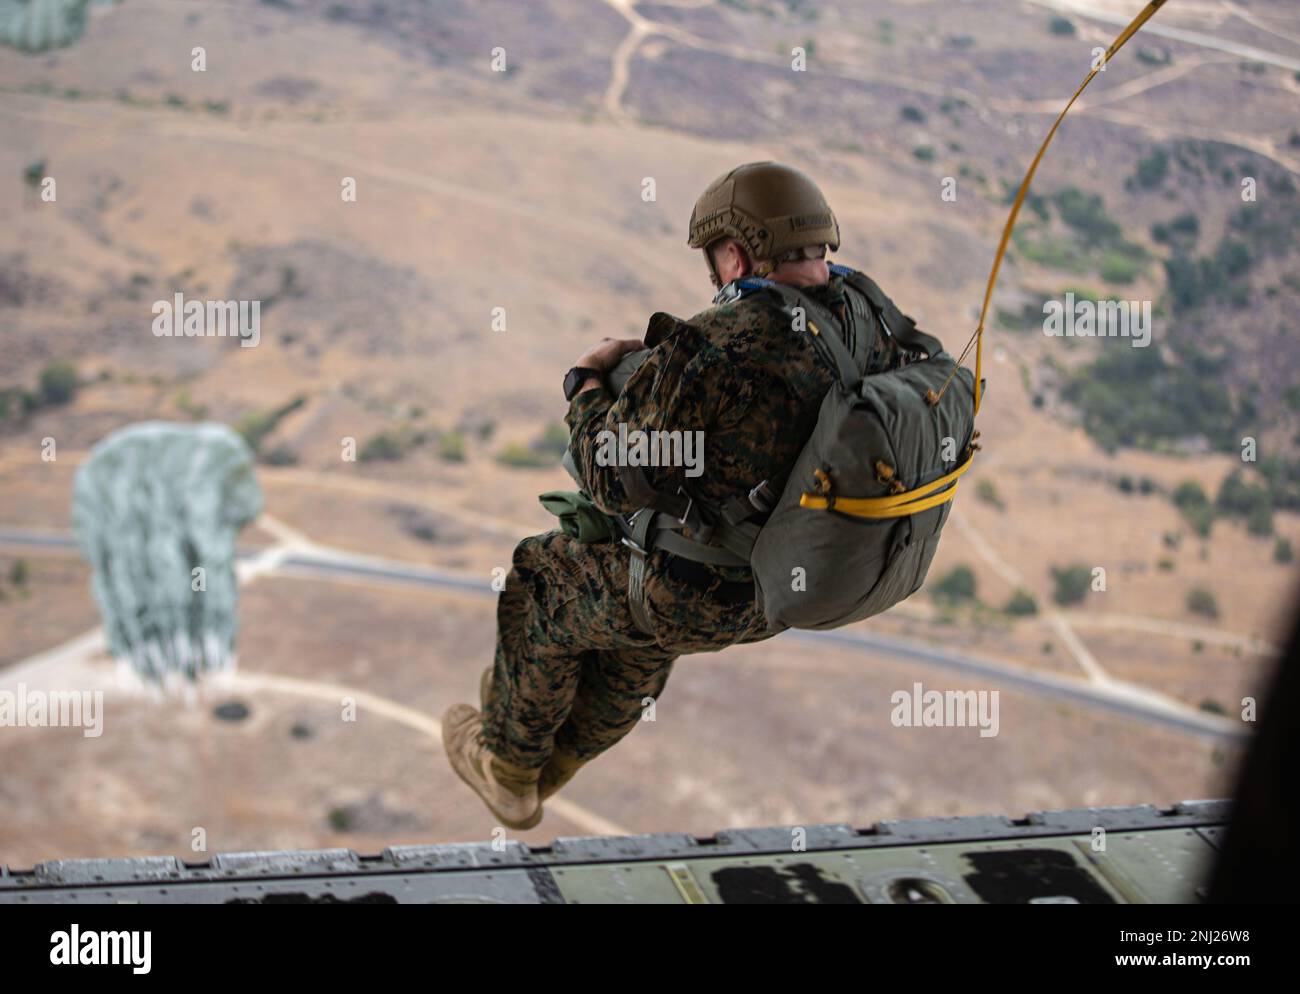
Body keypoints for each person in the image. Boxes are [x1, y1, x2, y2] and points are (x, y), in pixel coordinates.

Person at [442, 161, 916, 828]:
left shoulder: (715, 344)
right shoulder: (871, 316)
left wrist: (586, 385)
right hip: (781, 595)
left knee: (544, 578)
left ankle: (507, 768)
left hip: (694, 595)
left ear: (735, 251)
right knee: (634, 630)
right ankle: (557, 765)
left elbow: (607, 473)